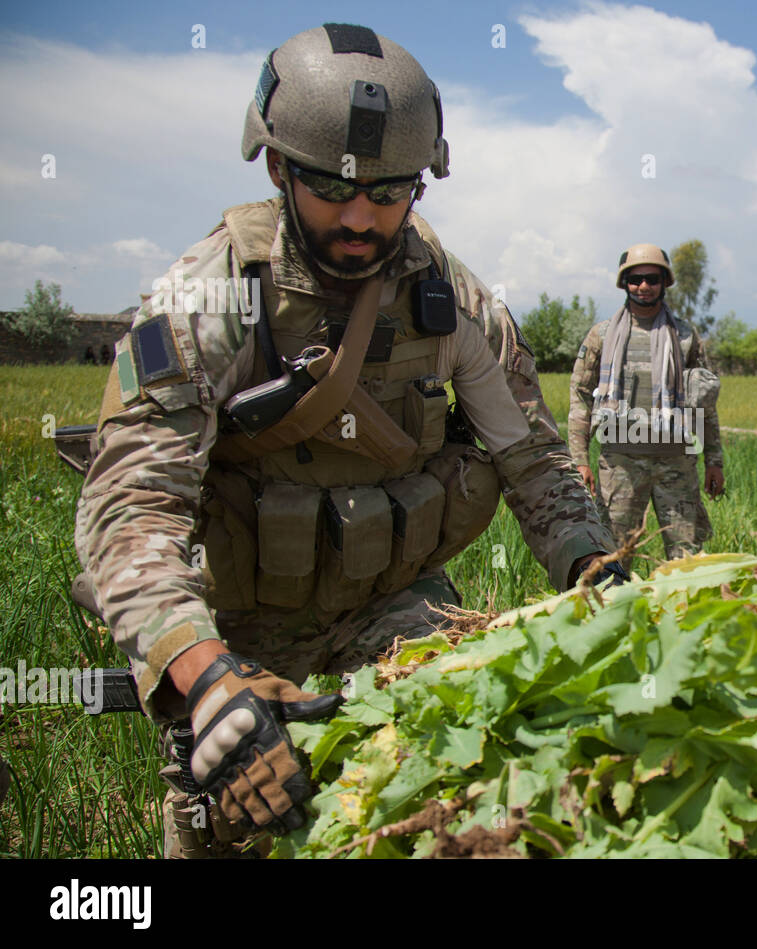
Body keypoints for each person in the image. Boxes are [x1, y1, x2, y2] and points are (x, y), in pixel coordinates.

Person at [73, 23, 618, 857]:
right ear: (279, 167)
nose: (362, 217)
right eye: (334, 187)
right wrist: (205, 673)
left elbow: (534, 461)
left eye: (391, 191)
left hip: (392, 603)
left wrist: (594, 567)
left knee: (465, 768)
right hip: (238, 626)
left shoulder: (453, 306)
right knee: (235, 817)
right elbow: (131, 508)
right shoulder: (206, 301)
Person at [568, 244, 723, 569]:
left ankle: (685, 616)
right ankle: (614, 614)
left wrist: (714, 460)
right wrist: (579, 460)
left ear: (664, 282)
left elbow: (705, 401)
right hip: (621, 463)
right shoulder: (603, 335)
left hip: (677, 463)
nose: (644, 286)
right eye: (635, 279)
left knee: (688, 558)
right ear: (624, 283)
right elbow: (580, 396)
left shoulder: (685, 337)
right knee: (613, 557)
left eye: (652, 278)